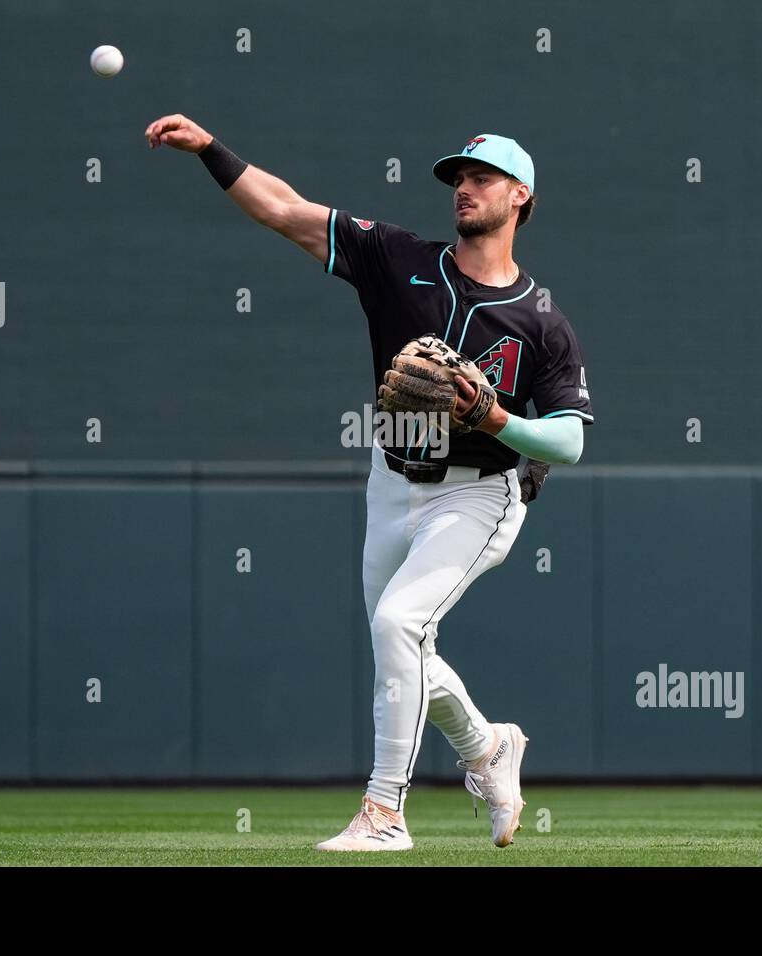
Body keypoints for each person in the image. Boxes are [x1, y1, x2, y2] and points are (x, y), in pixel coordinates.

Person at [145, 117, 595, 850]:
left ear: (520, 196)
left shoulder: (542, 321)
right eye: (458, 178)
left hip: (477, 493)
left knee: (398, 625)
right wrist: (211, 151)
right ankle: (487, 750)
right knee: (403, 646)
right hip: (391, 480)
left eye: (481, 178)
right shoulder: (397, 258)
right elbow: (283, 210)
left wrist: (495, 416)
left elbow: (568, 441)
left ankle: (384, 813)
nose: (464, 188)